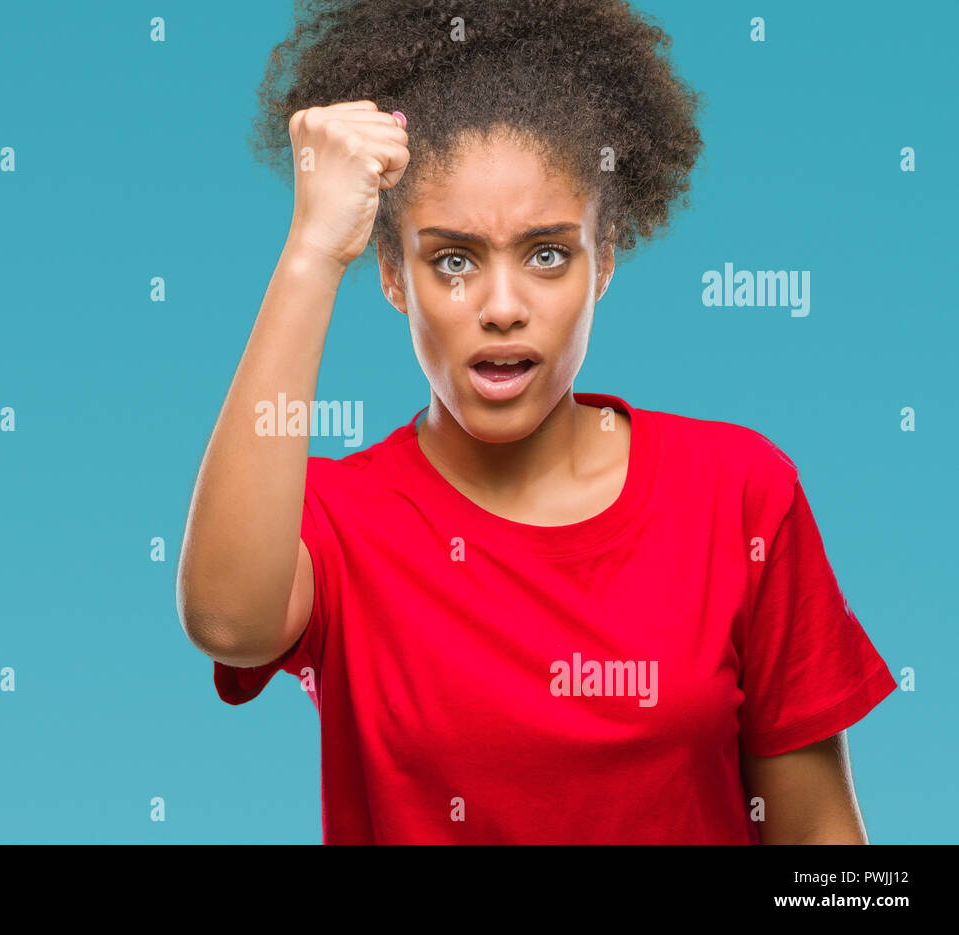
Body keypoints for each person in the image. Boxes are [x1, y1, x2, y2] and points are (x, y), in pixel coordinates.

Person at [176, 0, 896, 844]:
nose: (503, 307)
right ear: (392, 275)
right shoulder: (339, 522)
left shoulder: (739, 493)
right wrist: (310, 250)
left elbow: (819, 842)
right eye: (452, 260)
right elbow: (227, 621)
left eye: (548, 253)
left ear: (608, 257)